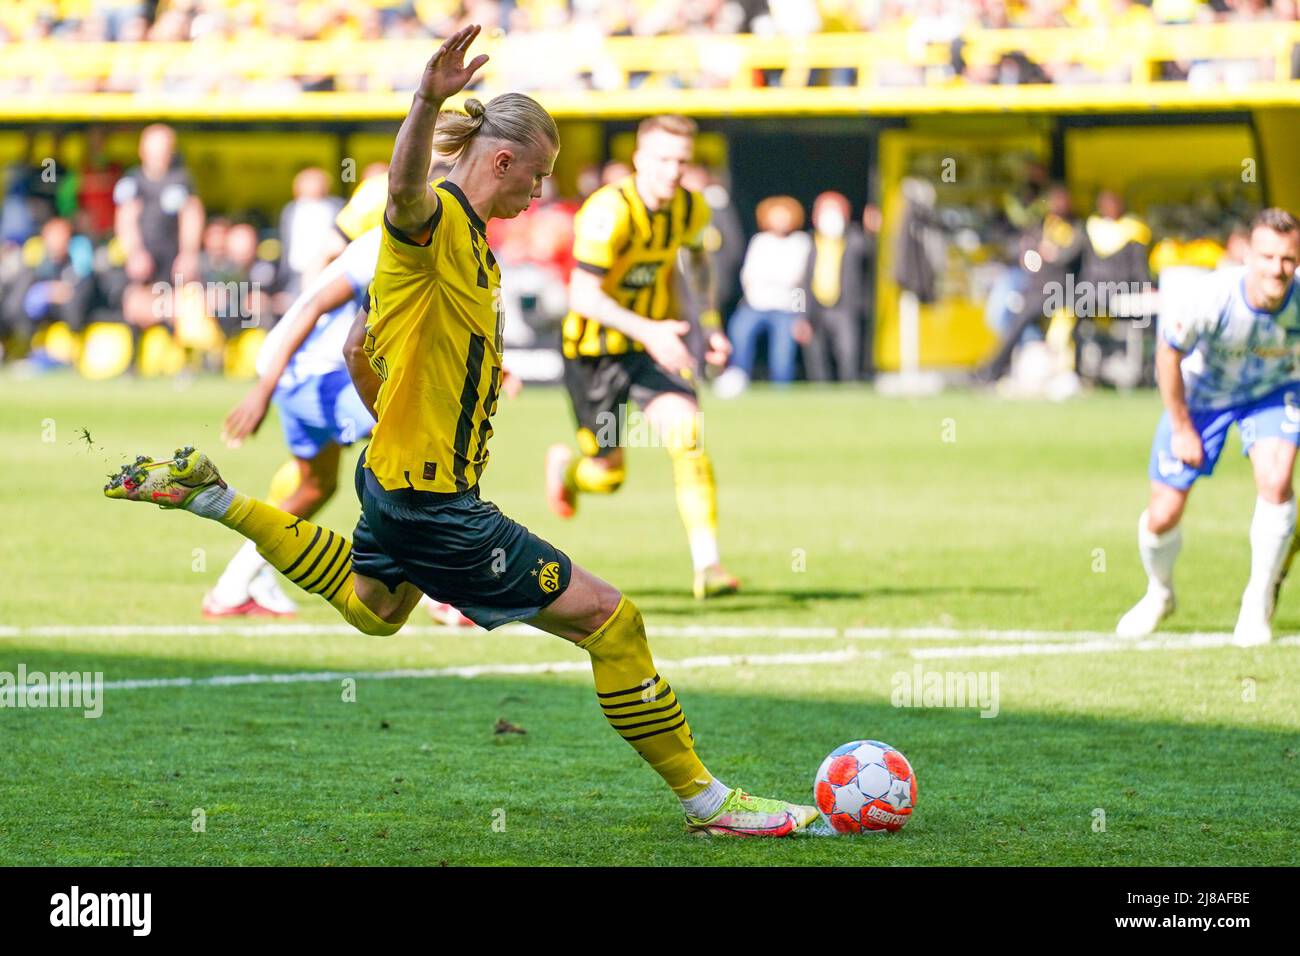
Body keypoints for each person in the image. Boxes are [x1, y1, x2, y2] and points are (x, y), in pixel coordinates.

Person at [105, 25, 815, 838]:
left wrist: (408, 416)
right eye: (539, 176)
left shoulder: (474, 244)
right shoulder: (437, 217)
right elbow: (403, 197)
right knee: (613, 622)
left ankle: (216, 499)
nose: (541, 195)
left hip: (399, 478)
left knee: (376, 610)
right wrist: (423, 100)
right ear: (503, 161)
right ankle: (711, 803)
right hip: (437, 503)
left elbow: (352, 346)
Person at [543, 114, 741, 601]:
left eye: (682, 161)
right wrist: (651, 331)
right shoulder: (607, 211)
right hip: (594, 353)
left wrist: (709, 325)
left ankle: (708, 565)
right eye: (663, 159)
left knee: (689, 437)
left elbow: (695, 265)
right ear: (639, 160)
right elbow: (583, 297)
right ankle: (568, 470)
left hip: (655, 345)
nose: (673, 171)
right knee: (607, 476)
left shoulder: (690, 208)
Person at [1116, 208, 1300, 646]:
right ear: (1246, 255)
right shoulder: (1211, 296)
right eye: (1267, 256)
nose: (1277, 268)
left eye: (1288, 259)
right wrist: (1181, 427)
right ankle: (1159, 593)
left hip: (1273, 392)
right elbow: (1167, 354)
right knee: (1162, 514)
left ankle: (1257, 601)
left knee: (1276, 482)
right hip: (1202, 396)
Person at [719, 195, 812, 388]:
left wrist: (800, 315)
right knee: (739, 334)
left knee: (782, 354)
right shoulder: (760, 241)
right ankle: (737, 379)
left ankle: (781, 388)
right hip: (756, 305)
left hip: (786, 309)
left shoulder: (801, 242)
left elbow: (801, 282)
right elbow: (749, 274)